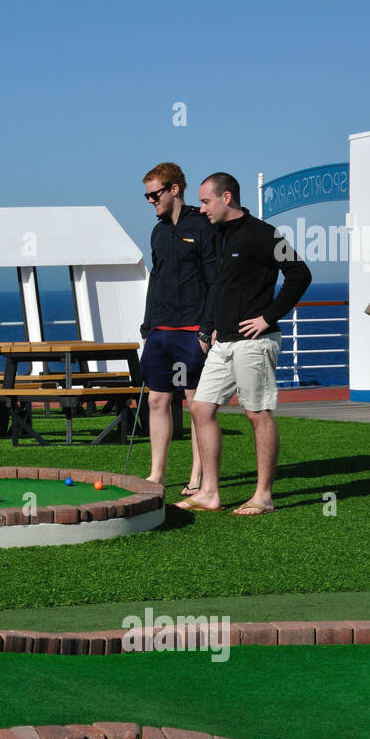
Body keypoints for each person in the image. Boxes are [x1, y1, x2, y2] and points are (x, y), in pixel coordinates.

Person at [178, 172, 311, 516]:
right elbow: (220, 288)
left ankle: (263, 496)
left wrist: (268, 317)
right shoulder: (216, 235)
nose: (202, 208)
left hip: (256, 341)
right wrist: (210, 329)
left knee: (257, 414)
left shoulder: (265, 234)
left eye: (206, 201)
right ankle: (209, 492)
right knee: (200, 409)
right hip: (223, 342)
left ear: (226, 198)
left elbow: (300, 273)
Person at [139, 162, 217, 494]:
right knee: (157, 400)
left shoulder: (202, 227)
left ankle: (198, 475)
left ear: (174, 189)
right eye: (146, 196)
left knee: (194, 402)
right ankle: (157, 474)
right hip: (160, 330)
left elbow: (216, 281)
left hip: (191, 330)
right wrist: (147, 325)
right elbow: (155, 279)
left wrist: (206, 330)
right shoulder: (158, 232)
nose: (150, 201)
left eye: (154, 194)